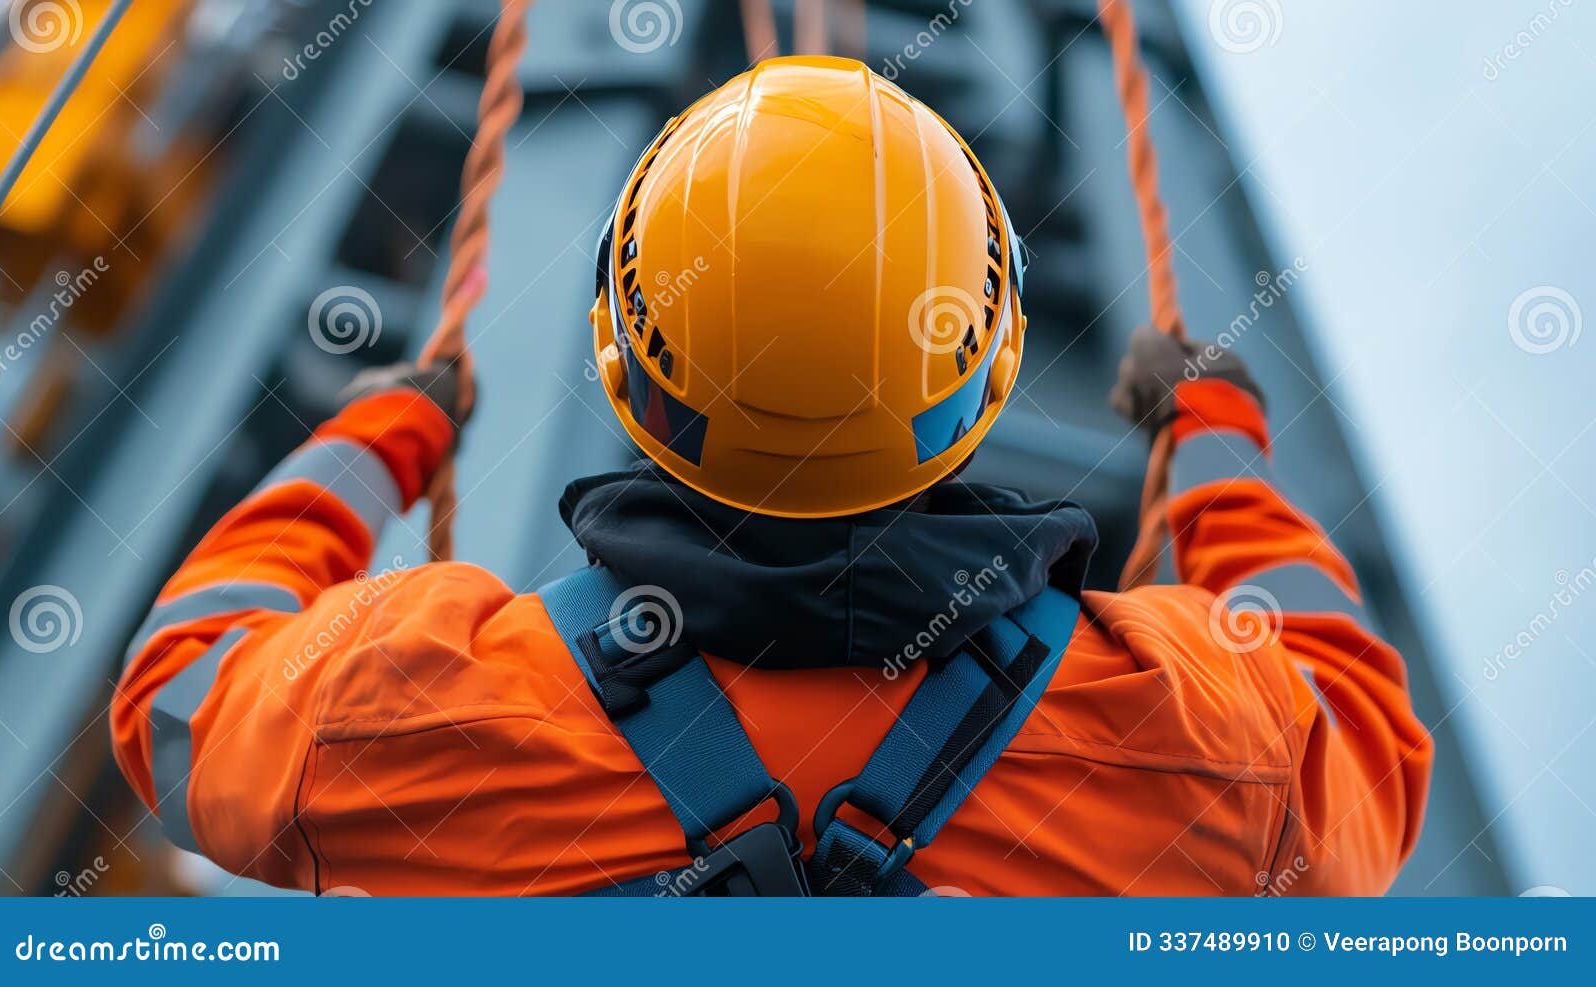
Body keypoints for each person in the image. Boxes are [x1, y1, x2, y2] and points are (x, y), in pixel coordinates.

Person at [112, 57, 1430, 896]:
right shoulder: (1193, 733)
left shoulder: (408, 707)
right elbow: (1357, 736)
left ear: (627, 359)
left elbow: (179, 692)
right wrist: (1215, 447)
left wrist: (376, 438)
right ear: (992, 362)